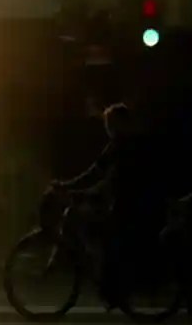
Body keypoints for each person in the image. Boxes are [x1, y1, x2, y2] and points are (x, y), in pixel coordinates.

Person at [47, 103, 154, 298]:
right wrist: (76, 188)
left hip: (129, 204)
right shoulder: (124, 144)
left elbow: (96, 175)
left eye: (111, 123)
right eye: (107, 123)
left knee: (103, 237)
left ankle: (111, 284)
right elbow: (99, 176)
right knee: (92, 227)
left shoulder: (123, 145)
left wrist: (67, 186)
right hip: (122, 201)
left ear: (122, 123)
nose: (108, 127)